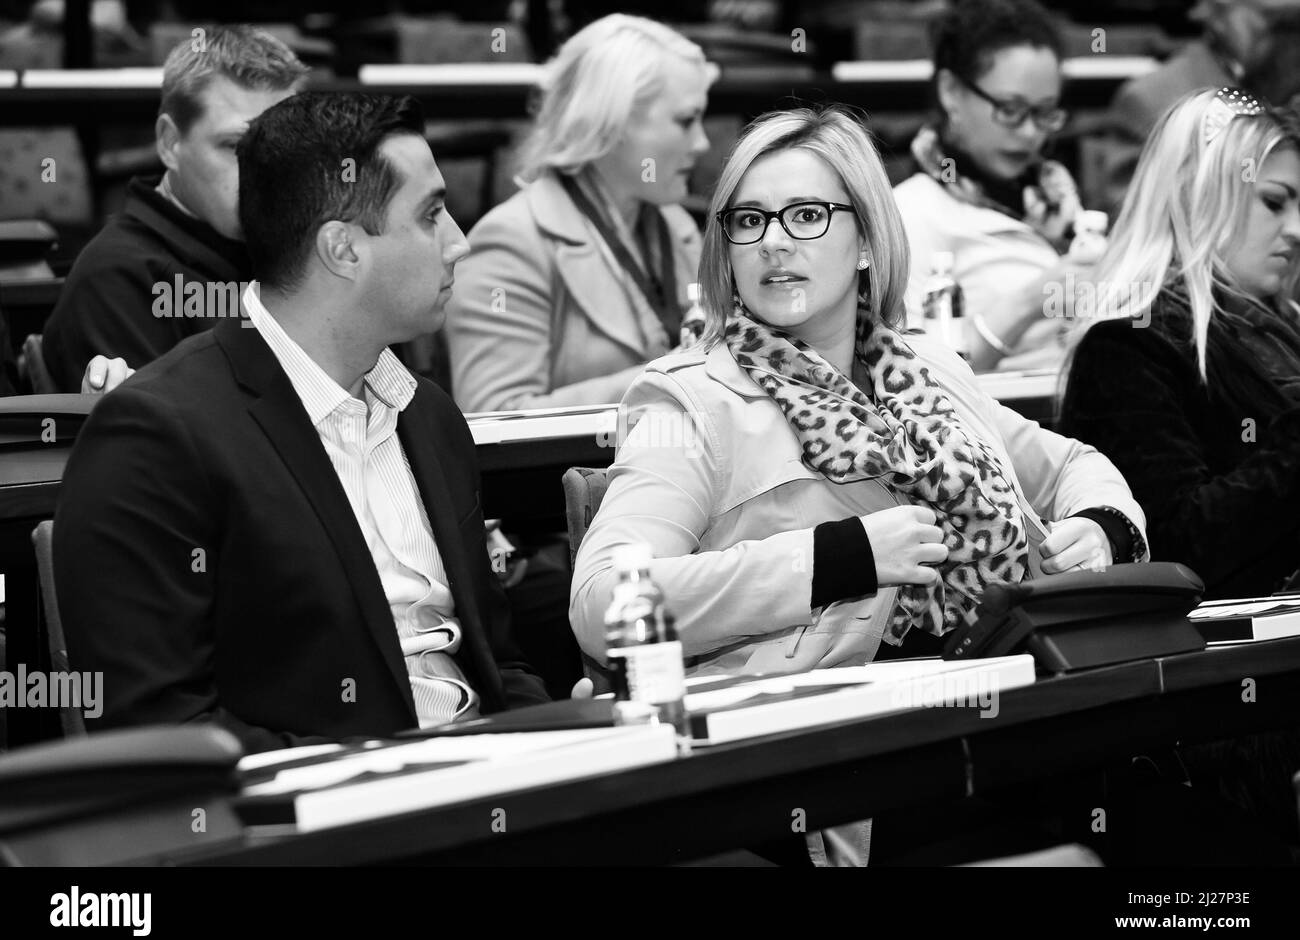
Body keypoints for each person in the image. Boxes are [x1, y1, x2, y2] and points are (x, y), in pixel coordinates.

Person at [570, 104, 1148, 682]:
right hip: (824, 738)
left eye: (806, 215)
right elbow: (605, 605)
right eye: (749, 220)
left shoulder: (928, 367)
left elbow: (1074, 462)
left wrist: (1104, 527)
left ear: (868, 242)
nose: (772, 241)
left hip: (998, 686)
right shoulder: (694, 401)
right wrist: (834, 560)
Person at [54, 92, 555, 754]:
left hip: (487, 785)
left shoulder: (428, 414)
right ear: (343, 250)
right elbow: (160, 729)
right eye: (432, 214)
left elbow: (499, 664)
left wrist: (558, 739)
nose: (460, 243)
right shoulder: (157, 436)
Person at [1060, 89, 1300, 602]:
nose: (1297, 229)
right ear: (1199, 195)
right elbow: (1175, 546)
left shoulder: (1285, 330)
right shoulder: (1125, 347)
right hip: (1225, 661)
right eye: (1275, 202)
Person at [444, 13, 711, 412]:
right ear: (614, 121)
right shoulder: (510, 242)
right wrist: (673, 380)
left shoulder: (676, 223)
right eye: (687, 120)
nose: (703, 142)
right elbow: (492, 418)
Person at [40, 24, 308, 393]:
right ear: (169, 143)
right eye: (234, 146)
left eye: (282, 146)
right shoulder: (117, 278)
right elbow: (175, 444)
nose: (264, 171)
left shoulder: (310, 250)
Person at [893, 0, 1093, 372]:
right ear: (951, 91)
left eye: (1045, 111)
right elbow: (918, 381)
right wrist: (1032, 300)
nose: (1032, 131)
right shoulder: (907, 215)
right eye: (1011, 109)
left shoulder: (1058, 202)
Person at [1101, 0, 1300, 217]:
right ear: (1216, 12)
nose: (1290, 41)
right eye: (1280, 24)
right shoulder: (1155, 100)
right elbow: (1136, 222)